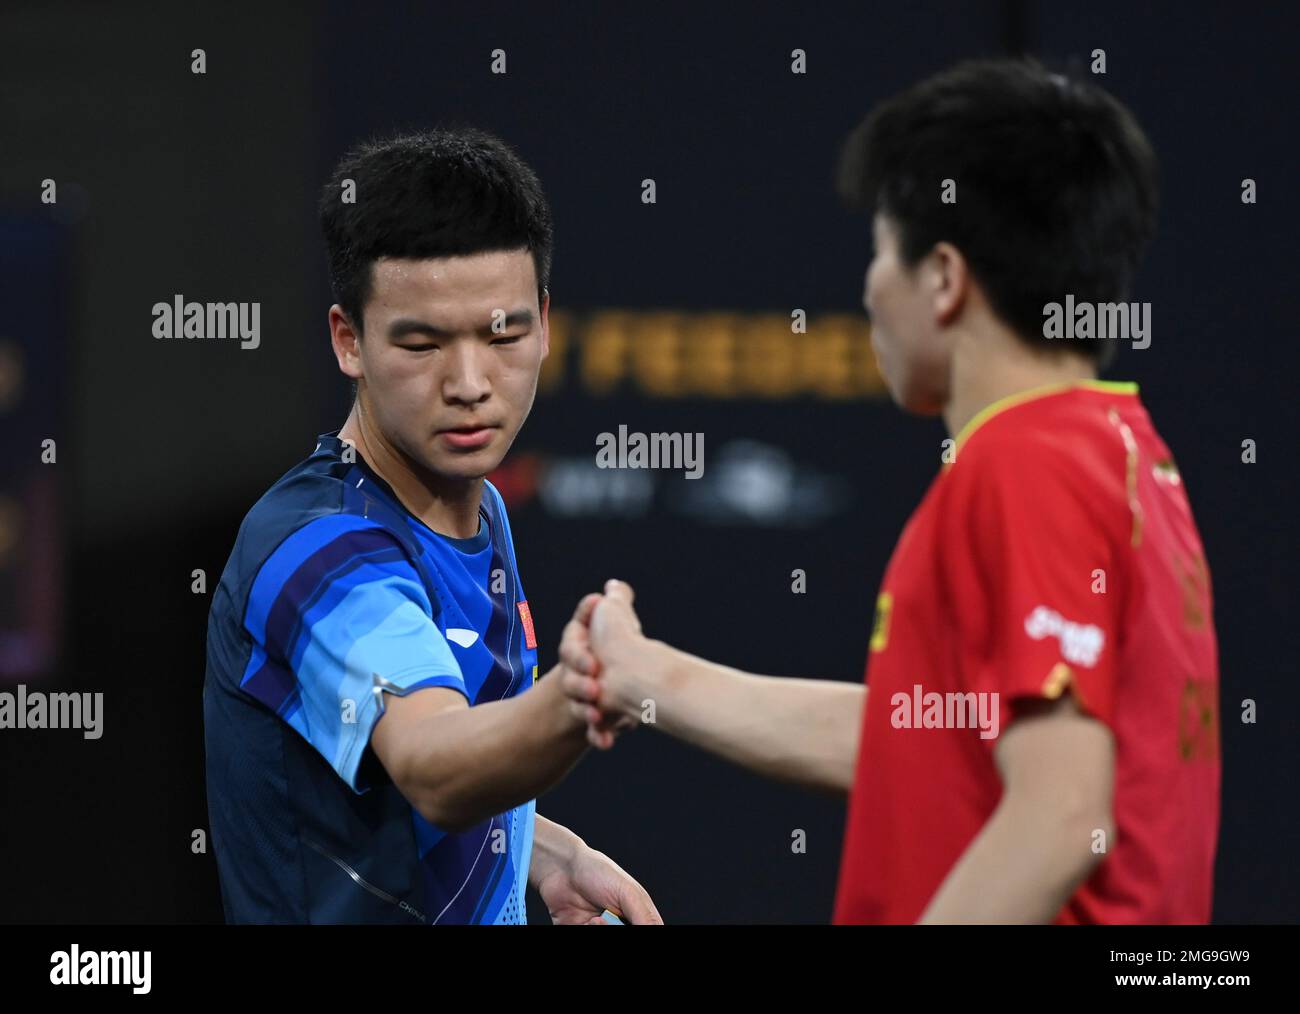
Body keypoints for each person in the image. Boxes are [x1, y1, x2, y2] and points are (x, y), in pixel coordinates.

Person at [563, 59, 1221, 924]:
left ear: (943, 278)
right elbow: (927, 740)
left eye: (878, 252)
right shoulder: (1120, 449)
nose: (868, 288)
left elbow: (1061, 817)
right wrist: (646, 676)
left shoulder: (1025, 465)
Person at [204, 126, 660, 925]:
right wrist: (579, 696)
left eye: (503, 334)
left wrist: (546, 855)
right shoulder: (322, 555)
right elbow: (431, 765)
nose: (471, 384)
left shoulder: (474, 502)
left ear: (545, 322)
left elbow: (395, 791)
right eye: (421, 343)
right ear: (350, 340)